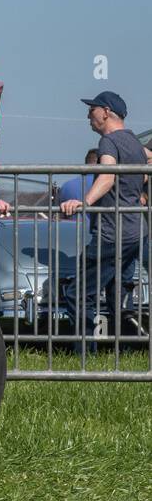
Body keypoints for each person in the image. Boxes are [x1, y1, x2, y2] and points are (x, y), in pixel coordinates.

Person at [59, 92, 152, 352]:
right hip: (137, 232)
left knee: (78, 293)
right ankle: (125, 352)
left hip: (112, 233)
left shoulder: (108, 143)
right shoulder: (134, 142)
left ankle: (85, 357)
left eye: (92, 110)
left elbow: (108, 175)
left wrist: (84, 201)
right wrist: (137, 188)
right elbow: (148, 160)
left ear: (106, 112)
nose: (88, 115)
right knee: (117, 293)